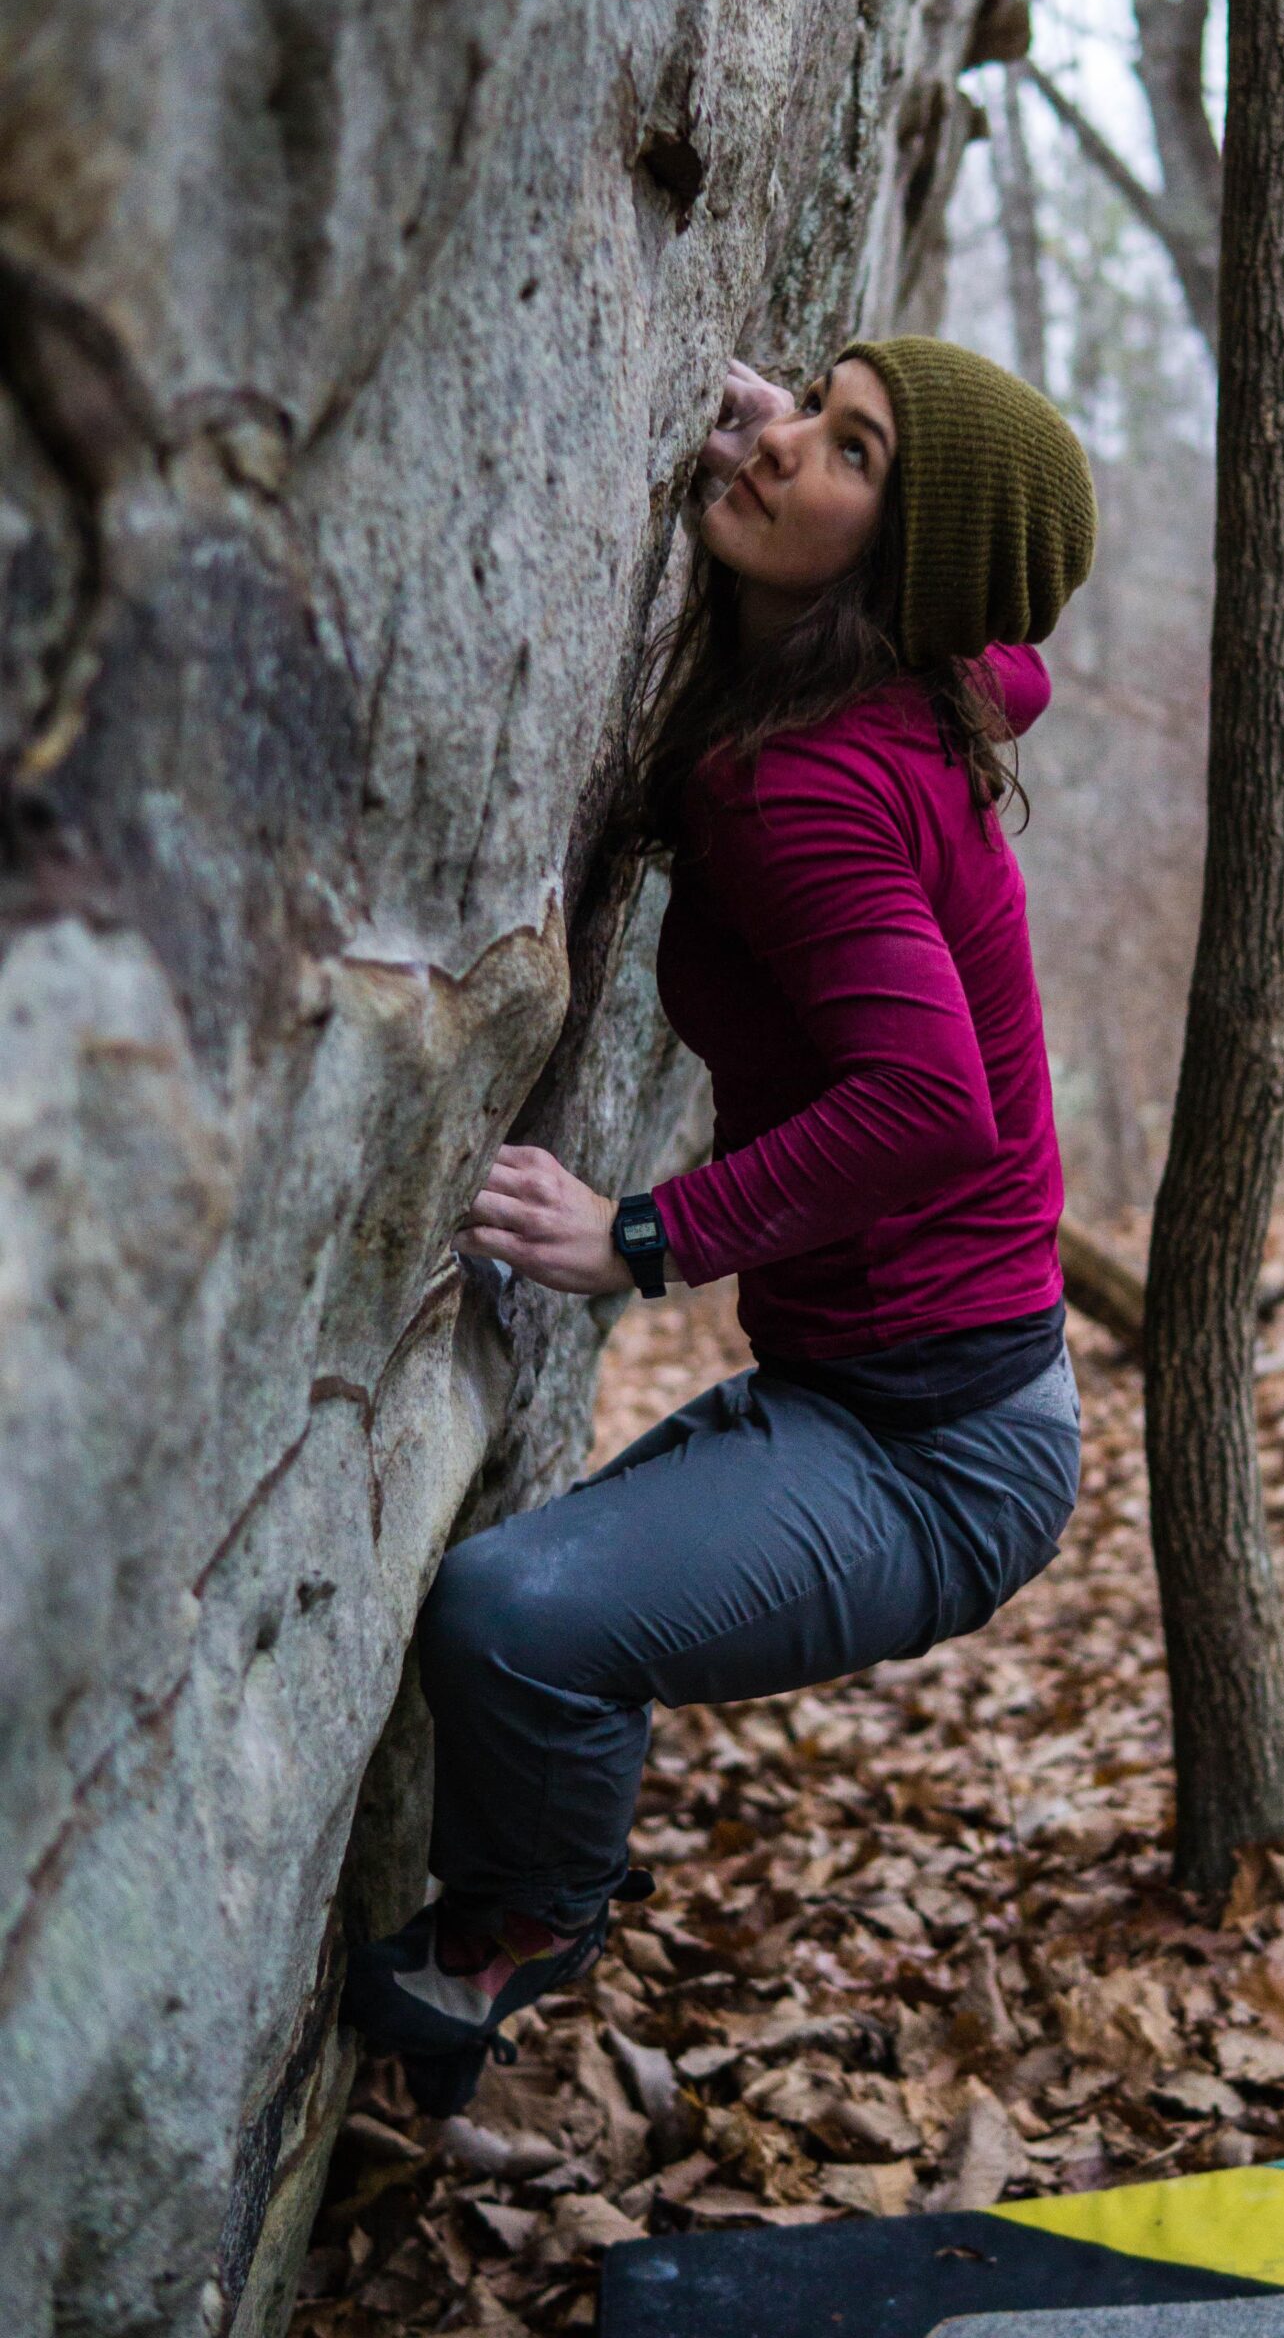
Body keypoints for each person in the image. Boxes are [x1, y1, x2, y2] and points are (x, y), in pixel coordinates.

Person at [341, 336, 1099, 2113]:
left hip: (938, 1453)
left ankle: (515, 1929)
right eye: (809, 403)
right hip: (890, 1387)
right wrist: (802, 436)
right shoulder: (940, 676)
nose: (774, 448)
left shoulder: (808, 784)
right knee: (533, 1610)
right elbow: (1020, 661)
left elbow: (928, 1104)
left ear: (897, 568)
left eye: (847, 454)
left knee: (513, 1618)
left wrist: (642, 1238)